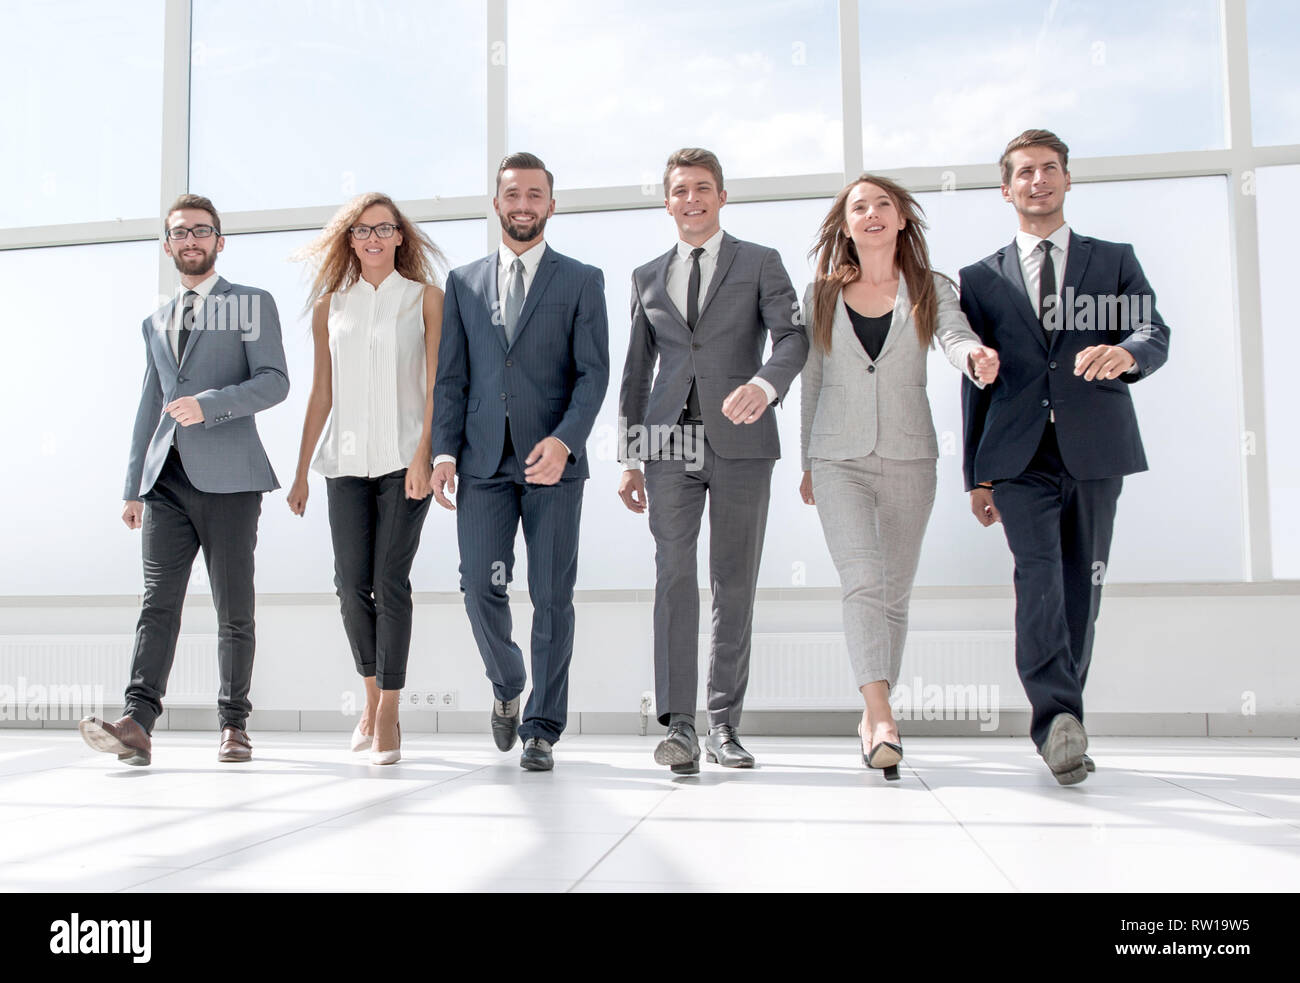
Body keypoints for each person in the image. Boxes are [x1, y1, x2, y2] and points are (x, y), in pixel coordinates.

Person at [960, 129, 1170, 785]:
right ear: (1006, 188)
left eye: (1049, 169)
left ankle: (1064, 719)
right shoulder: (979, 279)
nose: (1037, 180)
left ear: (1067, 180)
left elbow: (1151, 329)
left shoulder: (1112, 261)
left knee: (1083, 583)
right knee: (1040, 579)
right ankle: (1056, 721)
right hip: (1018, 456)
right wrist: (977, 473)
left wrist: (1128, 353)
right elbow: (973, 378)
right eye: (1024, 172)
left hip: (1095, 446)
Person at [799, 175, 999, 779]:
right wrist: (808, 460)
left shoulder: (930, 287)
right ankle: (882, 715)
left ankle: (870, 717)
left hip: (913, 456)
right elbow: (812, 379)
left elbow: (953, 337)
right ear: (846, 225)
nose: (872, 213)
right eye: (859, 207)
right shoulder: (820, 295)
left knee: (894, 591)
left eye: (883, 203)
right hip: (838, 458)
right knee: (862, 580)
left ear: (902, 219)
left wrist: (974, 357)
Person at [80, 193, 289, 766]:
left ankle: (233, 724)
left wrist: (210, 404)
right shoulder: (155, 320)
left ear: (220, 242)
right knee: (157, 604)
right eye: (179, 232)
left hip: (231, 479)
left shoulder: (252, 303)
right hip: (166, 481)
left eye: (201, 231)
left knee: (232, 606)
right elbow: (150, 405)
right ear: (167, 244)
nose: (190, 240)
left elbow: (275, 381)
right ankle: (138, 721)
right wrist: (132, 485)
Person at [618, 148, 807, 775]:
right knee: (673, 576)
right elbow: (637, 371)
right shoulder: (646, 275)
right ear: (667, 200)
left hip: (743, 441)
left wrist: (766, 384)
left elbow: (793, 337)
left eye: (703, 188)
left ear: (721, 196)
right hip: (668, 445)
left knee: (733, 581)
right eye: (680, 190)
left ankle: (724, 722)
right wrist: (628, 456)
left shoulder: (760, 262)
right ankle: (679, 726)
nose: (691, 199)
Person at [430, 152, 609, 772]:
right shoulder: (464, 282)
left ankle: (541, 726)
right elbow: (450, 378)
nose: (523, 205)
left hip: (553, 463)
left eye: (535, 195)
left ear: (551, 205)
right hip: (482, 464)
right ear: (497, 203)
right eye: (513, 195)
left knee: (553, 596)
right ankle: (509, 686)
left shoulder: (582, 280)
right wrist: (443, 450)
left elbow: (594, 374)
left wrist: (565, 442)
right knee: (480, 585)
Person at [286, 192, 445, 765]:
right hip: (345, 467)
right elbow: (321, 392)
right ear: (349, 240)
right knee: (351, 586)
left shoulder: (426, 300)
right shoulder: (331, 307)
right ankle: (372, 698)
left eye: (384, 228)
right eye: (361, 230)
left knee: (389, 580)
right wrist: (302, 470)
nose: (373, 238)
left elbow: (435, 386)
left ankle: (389, 714)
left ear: (401, 236)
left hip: (406, 462)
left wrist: (427, 451)